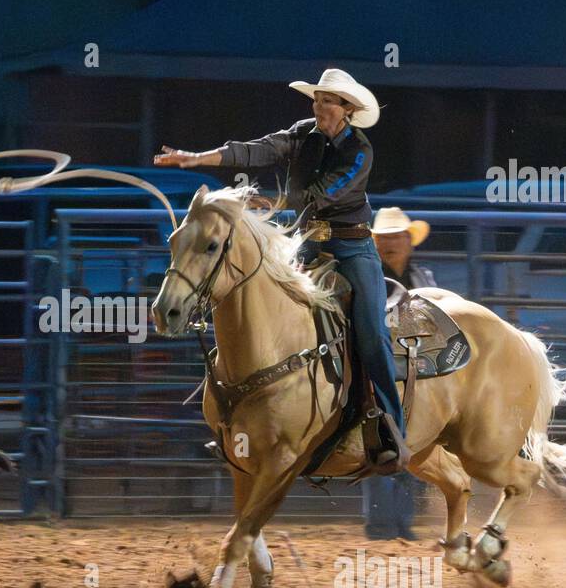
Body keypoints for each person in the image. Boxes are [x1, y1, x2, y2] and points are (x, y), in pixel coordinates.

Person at [154, 68, 409, 473]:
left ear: (346, 109)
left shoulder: (359, 150)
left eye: (329, 100)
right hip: (307, 244)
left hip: (352, 248)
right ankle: (237, 417)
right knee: (256, 306)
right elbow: (256, 150)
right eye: (318, 99)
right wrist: (198, 158)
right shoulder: (302, 132)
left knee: (371, 329)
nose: (320, 106)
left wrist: (256, 202)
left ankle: (391, 425)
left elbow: (321, 195)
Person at [363, 206, 438, 540]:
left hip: (415, 370)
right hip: (380, 369)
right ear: (375, 242)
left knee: (414, 441)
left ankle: (401, 522)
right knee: (383, 440)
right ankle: (381, 524)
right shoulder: (368, 276)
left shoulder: (423, 278)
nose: (391, 243)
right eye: (384, 237)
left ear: (409, 241)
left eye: (396, 237)